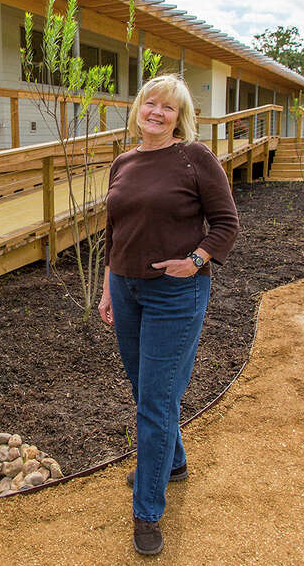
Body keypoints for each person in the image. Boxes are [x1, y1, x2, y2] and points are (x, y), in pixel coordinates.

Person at [98, 73, 239, 556]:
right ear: (138, 106)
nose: (156, 113)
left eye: (168, 108)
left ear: (180, 118)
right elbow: (114, 230)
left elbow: (226, 223)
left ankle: (147, 512)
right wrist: (108, 287)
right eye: (150, 103)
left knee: (155, 404)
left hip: (175, 294)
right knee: (147, 392)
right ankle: (172, 463)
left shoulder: (194, 158)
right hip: (126, 288)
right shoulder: (123, 162)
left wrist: (196, 261)